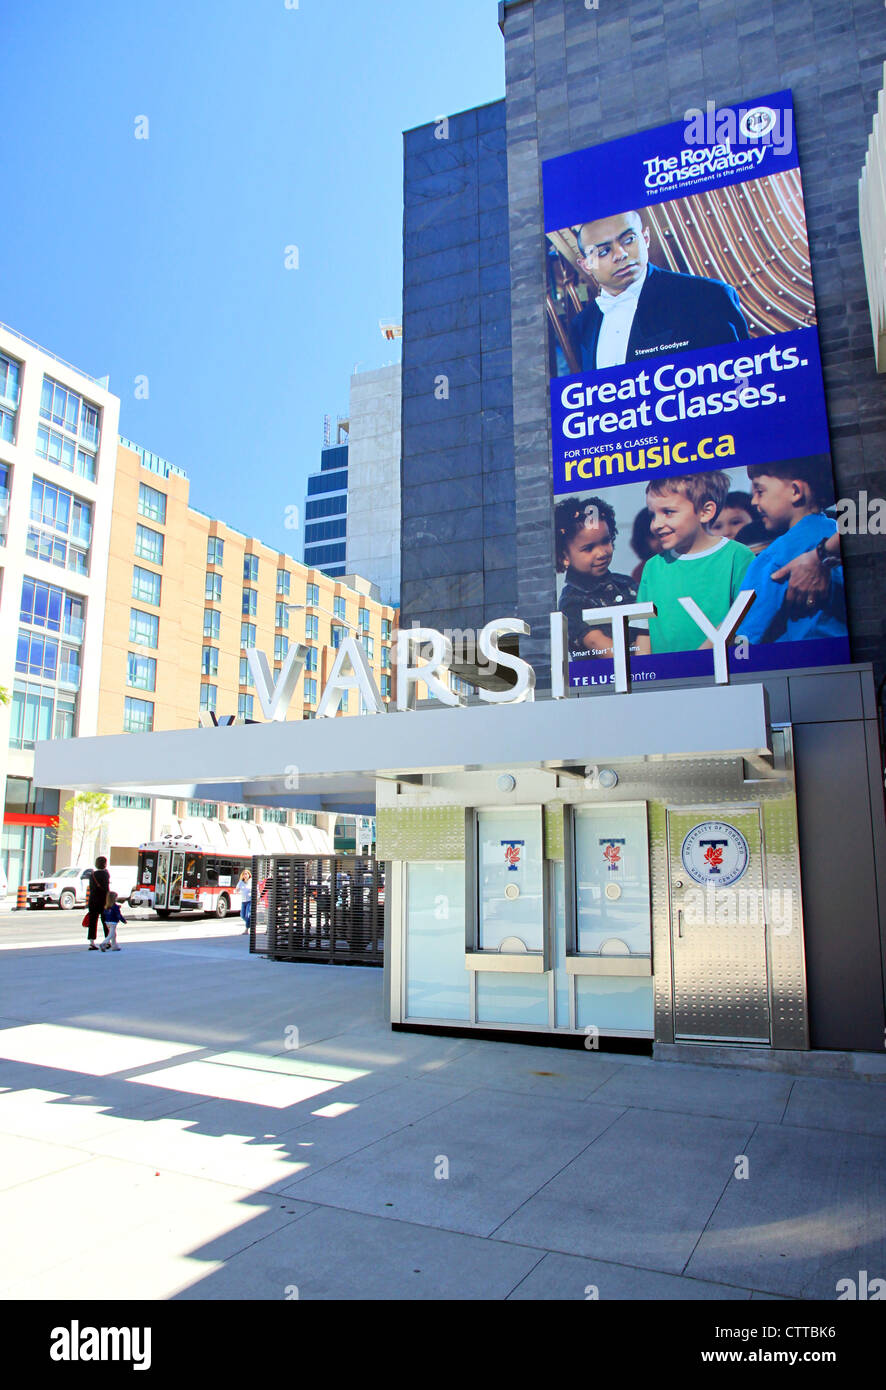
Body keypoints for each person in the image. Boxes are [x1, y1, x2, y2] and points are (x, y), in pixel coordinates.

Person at [568, 210, 749, 372]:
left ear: (645, 238)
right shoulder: (582, 325)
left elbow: (740, 380)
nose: (620, 254)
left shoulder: (707, 297)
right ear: (587, 265)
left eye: (629, 240)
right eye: (603, 251)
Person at [635, 471, 755, 654]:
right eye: (653, 515)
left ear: (706, 512)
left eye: (668, 512)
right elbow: (644, 634)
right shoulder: (651, 568)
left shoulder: (738, 556)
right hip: (665, 678)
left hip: (726, 675)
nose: (655, 524)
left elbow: (749, 621)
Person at [736, 456, 847, 646]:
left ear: (795, 491)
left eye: (760, 491)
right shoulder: (836, 531)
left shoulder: (774, 558)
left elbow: (745, 638)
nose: (754, 501)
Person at [555, 494, 639, 656]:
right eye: (588, 548)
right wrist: (641, 663)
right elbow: (599, 644)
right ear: (564, 556)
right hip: (605, 677)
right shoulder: (572, 602)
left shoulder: (626, 584)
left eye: (606, 541)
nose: (601, 553)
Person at [84, 855, 110, 951]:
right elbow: (106, 889)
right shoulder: (105, 874)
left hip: (93, 901)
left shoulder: (92, 874)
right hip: (103, 901)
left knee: (93, 922)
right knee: (106, 921)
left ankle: (91, 942)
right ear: (105, 864)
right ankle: (107, 941)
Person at [238, 868, 252, 933]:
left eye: (246, 874)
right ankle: (250, 923)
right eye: (244, 874)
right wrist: (237, 890)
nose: (245, 875)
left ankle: (246, 930)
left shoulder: (251, 881)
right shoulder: (241, 882)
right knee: (242, 915)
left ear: (249, 875)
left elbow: (256, 889)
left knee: (247, 915)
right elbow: (237, 888)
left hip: (250, 900)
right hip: (243, 901)